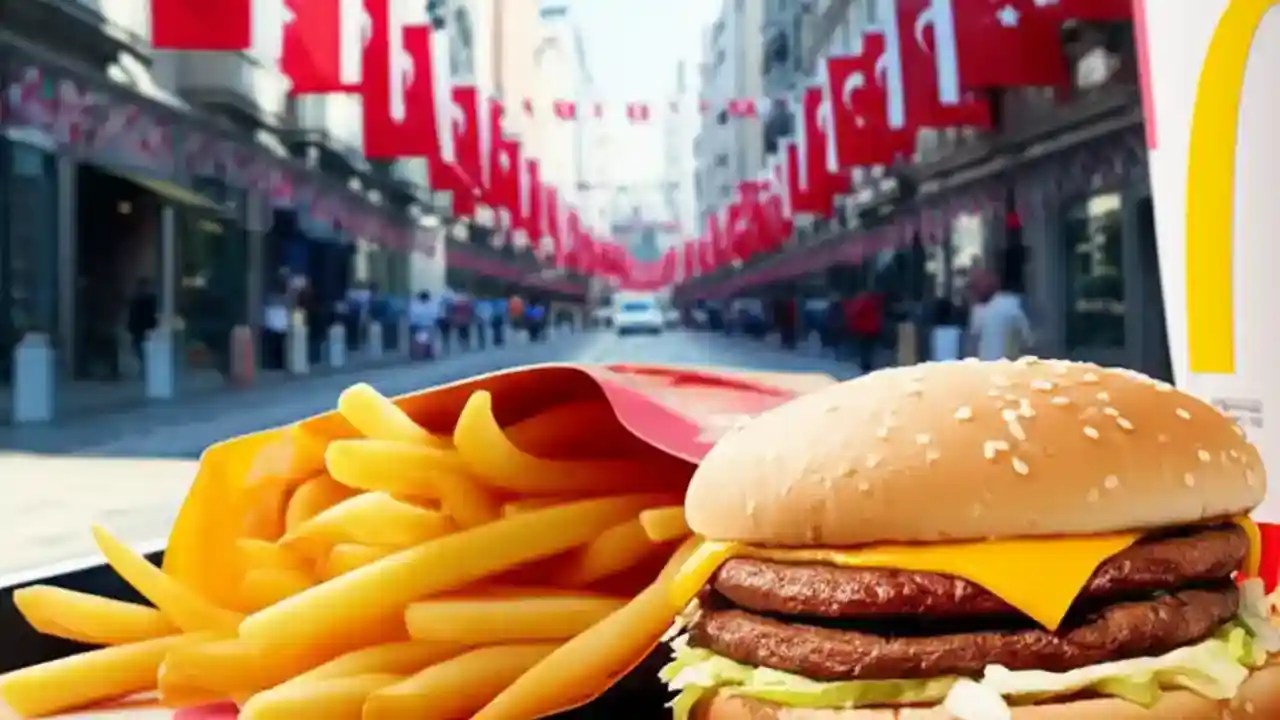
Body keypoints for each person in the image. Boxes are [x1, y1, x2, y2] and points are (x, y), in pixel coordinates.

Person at [968, 272, 1033, 360]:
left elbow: (1026, 337)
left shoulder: (1009, 304)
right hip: (984, 364)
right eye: (973, 286)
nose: (975, 291)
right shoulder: (977, 309)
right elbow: (974, 340)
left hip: (1006, 363)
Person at [844, 288, 885, 373]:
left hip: (863, 330)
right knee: (870, 348)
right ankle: (870, 364)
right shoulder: (874, 303)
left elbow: (853, 314)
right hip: (873, 329)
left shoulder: (860, 304)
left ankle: (865, 365)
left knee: (864, 349)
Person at [126, 277, 158, 370]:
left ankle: (145, 369)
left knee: (141, 351)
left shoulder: (141, 300)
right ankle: (145, 369)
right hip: (142, 330)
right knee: (141, 351)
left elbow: (133, 316)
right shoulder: (145, 300)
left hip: (143, 329)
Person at [262, 289, 289, 370]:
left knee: (273, 348)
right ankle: (279, 364)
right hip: (281, 328)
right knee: (279, 348)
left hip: (273, 328)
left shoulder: (270, 302)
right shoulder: (284, 301)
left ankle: (273, 364)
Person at [407, 291, 436, 360]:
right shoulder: (430, 305)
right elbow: (433, 315)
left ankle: (416, 354)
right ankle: (426, 354)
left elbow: (412, 315)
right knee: (426, 341)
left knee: (419, 340)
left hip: (418, 325)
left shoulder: (416, 305)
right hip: (426, 325)